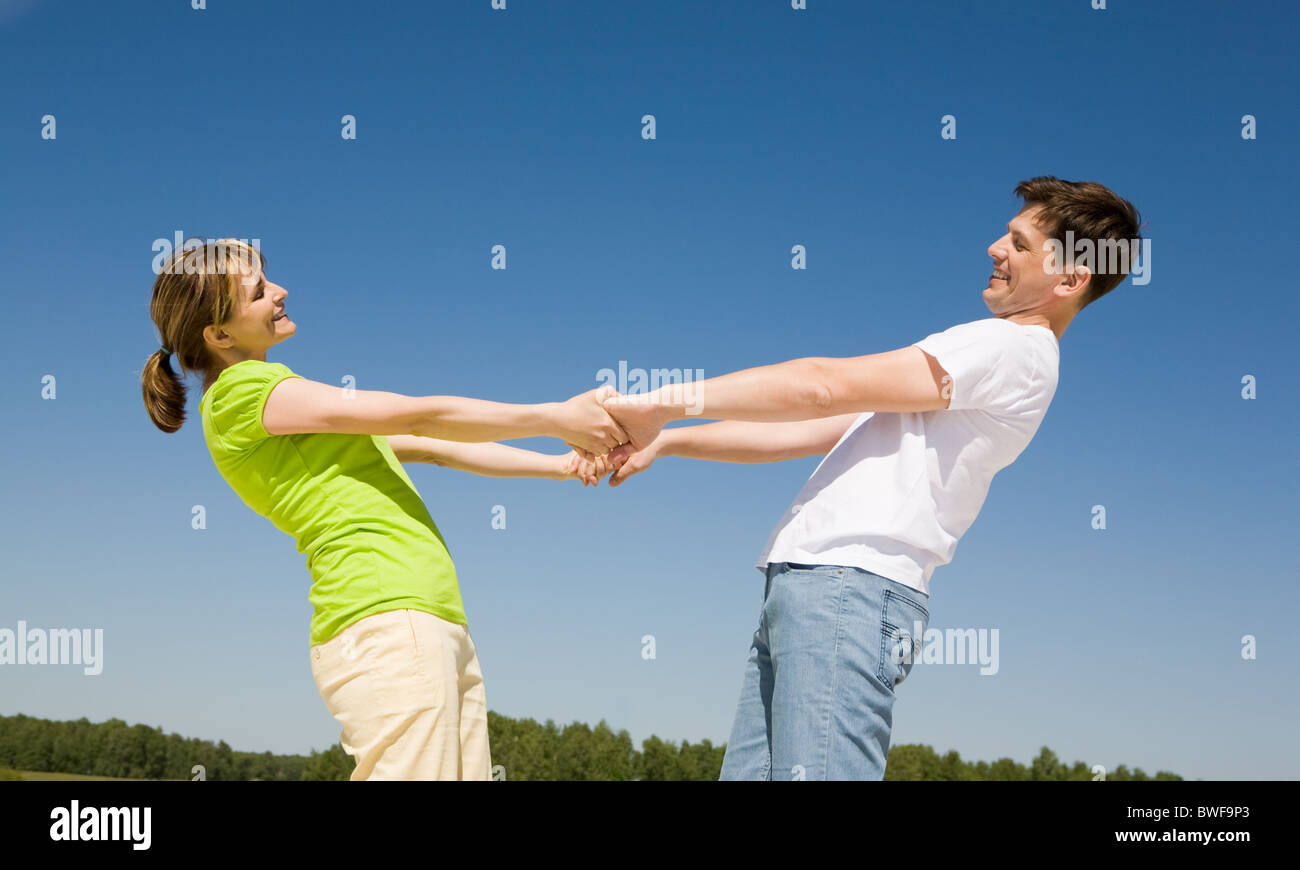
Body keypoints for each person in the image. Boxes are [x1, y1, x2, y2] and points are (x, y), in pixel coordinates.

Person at [600, 176, 1143, 780]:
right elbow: (808, 428)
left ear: (1070, 279)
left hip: (849, 590)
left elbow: (820, 384)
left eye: (1018, 243)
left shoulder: (1009, 348)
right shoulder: (991, 367)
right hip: (817, 589)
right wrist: (669, 441)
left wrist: (663, 402)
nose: (994, 247)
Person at [140, 238, 626, 780]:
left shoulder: (289, 424)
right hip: (388, 621)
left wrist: (561, 465)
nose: (280, 292)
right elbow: (419, 415)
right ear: (219, 335)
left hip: (427, 619)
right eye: (258, 292)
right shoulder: (243, 393)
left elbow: (432, 447)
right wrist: (556, 415)